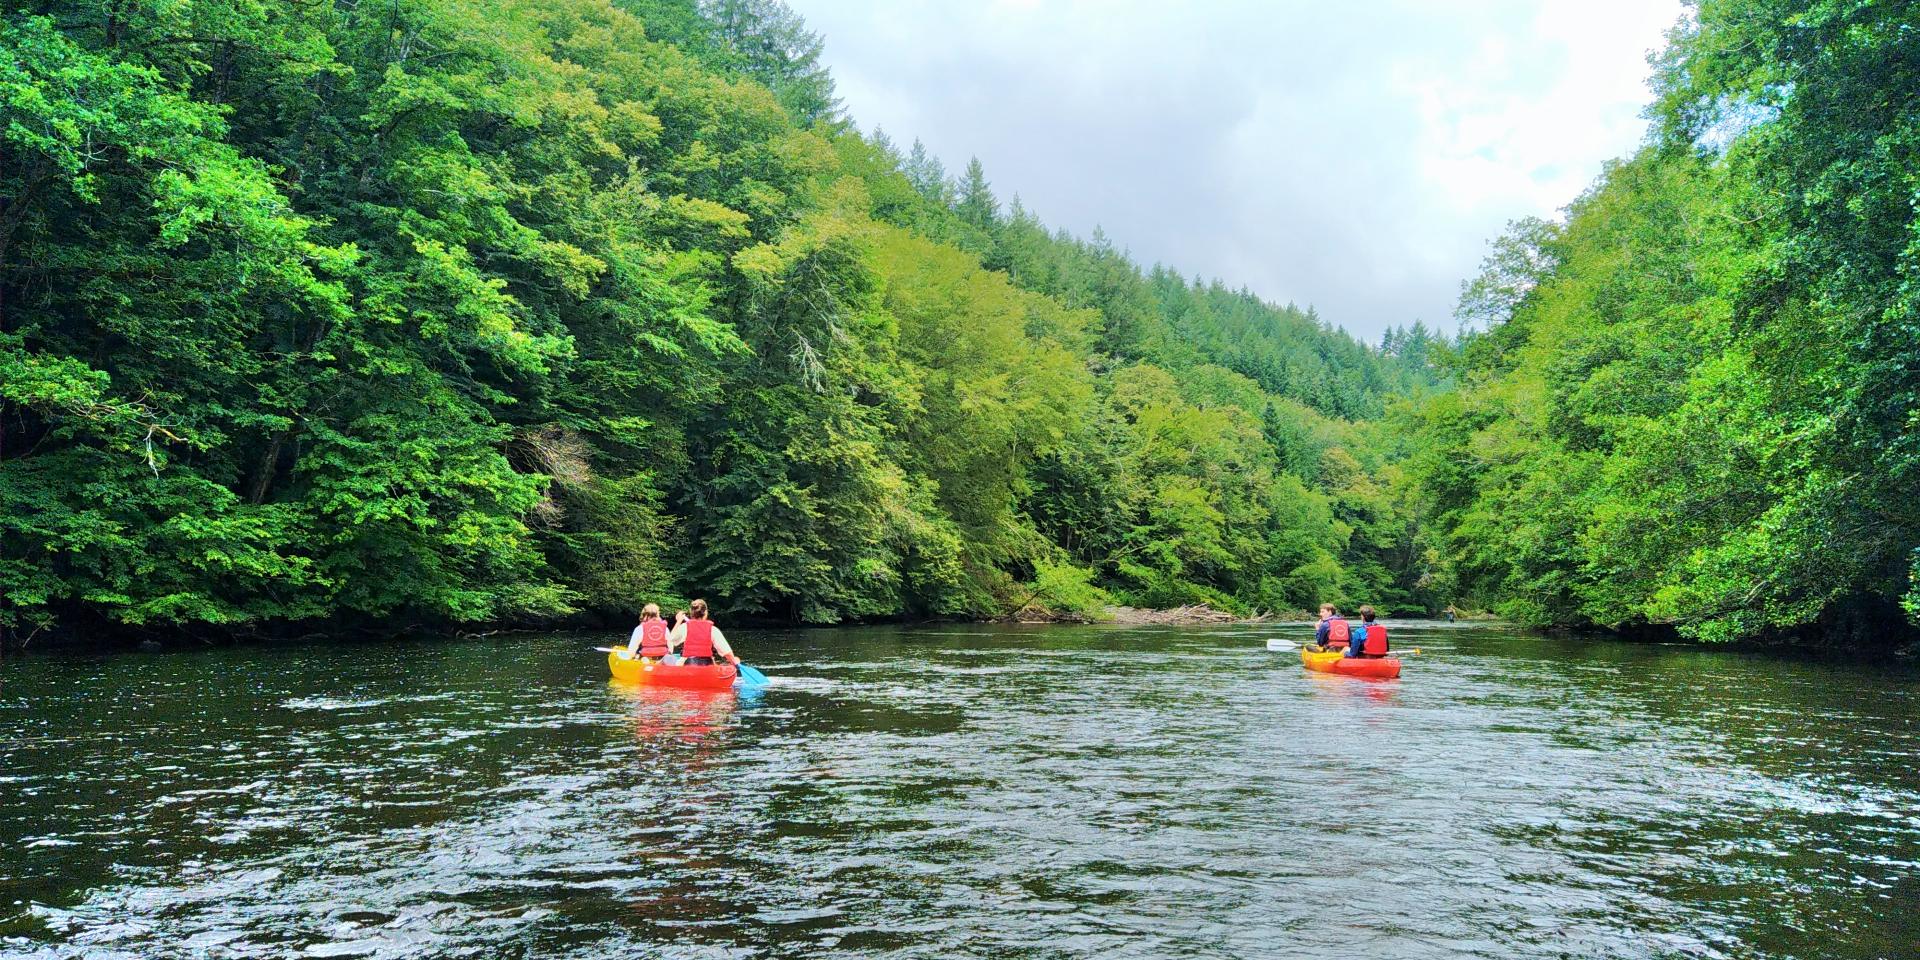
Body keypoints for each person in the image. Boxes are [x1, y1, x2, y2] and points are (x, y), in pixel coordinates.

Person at [668, 599, 740, 667]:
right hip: (707, 665)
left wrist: (679, 621)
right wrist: (734, 662)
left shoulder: (685, 627)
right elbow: (727, 653)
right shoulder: (713, 630)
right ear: (705, 613)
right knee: (735, 659)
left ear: (691, 613)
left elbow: (672, 640)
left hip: (688, 665)